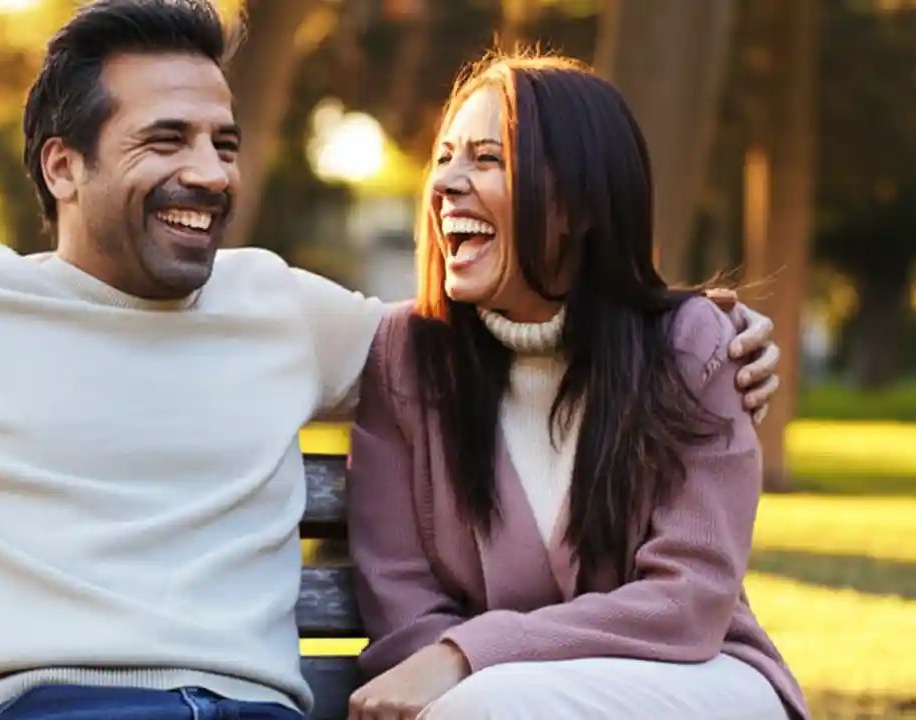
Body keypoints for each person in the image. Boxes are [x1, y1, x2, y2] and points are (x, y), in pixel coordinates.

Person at [0, 3, 779, 719]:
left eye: (223, 143)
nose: (210, 173)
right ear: (63, 167)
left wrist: (707, 331)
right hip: (53, 706)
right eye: (166, 140)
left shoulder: (284, 310)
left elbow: (515, 322)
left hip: (256, 709)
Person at [346, 53, 808, 720]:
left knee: (489, 706)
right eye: (444, 158)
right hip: (486, 703)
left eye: (487, 159)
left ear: (580, 203)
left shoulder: (692, 345)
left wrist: (469, 654)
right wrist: (452, 664)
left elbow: (687, 599)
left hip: (696, 679)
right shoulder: (404, 354)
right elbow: (401, 600)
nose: (445, 182)